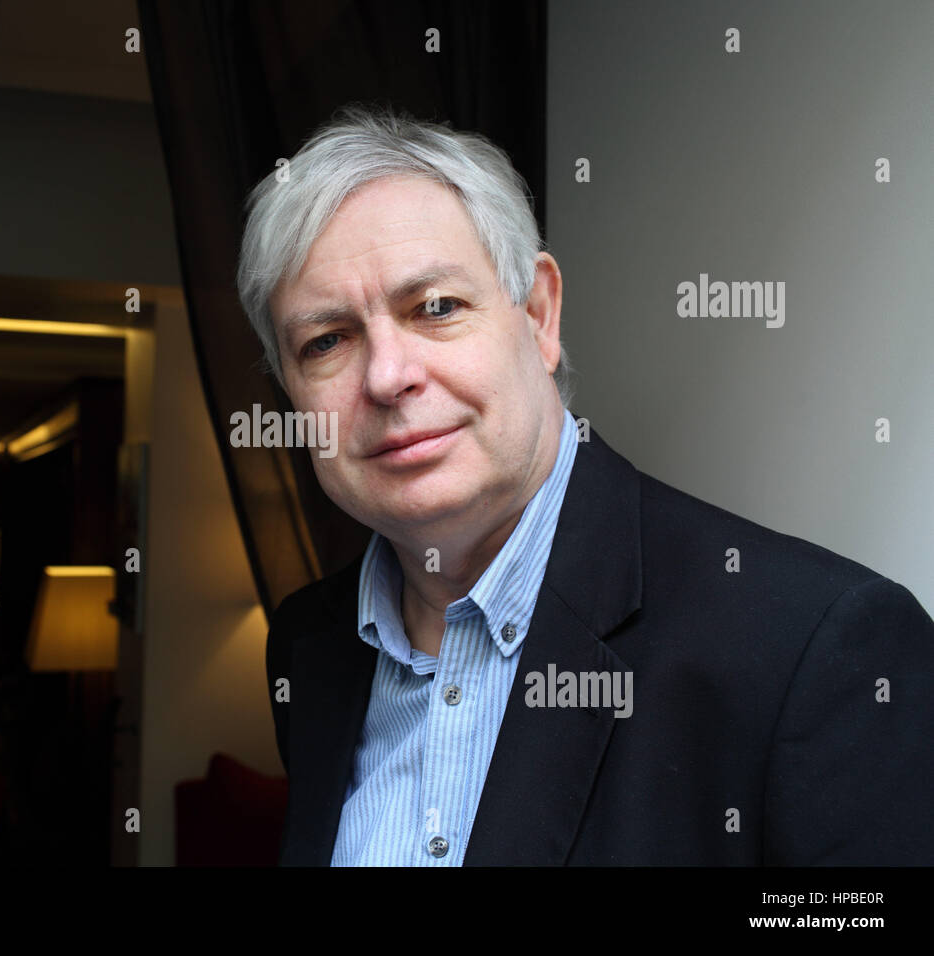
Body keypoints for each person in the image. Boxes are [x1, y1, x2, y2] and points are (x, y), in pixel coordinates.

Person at [236, 104, 934, 866]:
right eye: (327, 340)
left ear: (538, 314)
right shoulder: (310, 645)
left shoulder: (819, 647)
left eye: (435, 307)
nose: (388, 376)